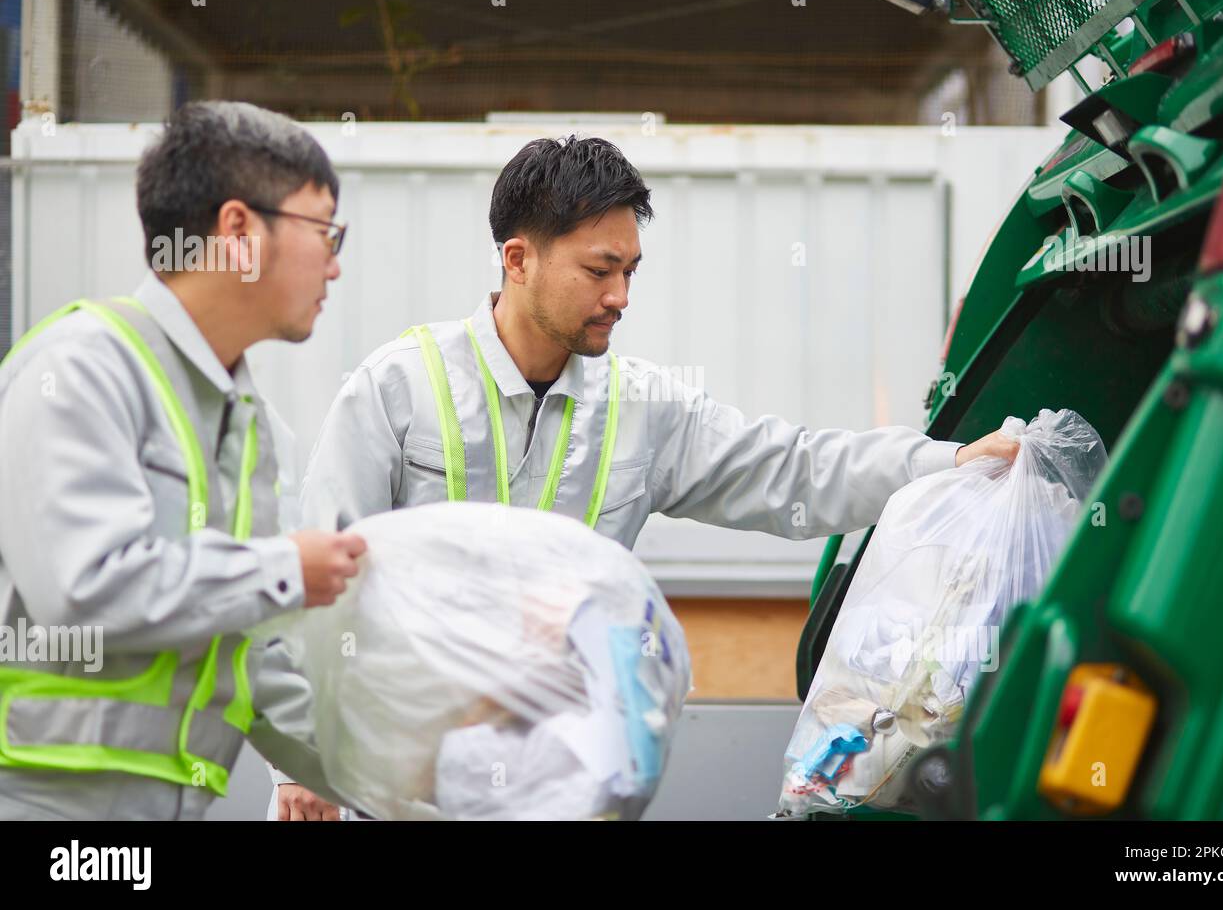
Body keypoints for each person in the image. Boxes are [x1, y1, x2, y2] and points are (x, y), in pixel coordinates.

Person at [273, 134, 1018, 816]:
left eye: (630, 271)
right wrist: (299, 768)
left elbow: (795, 469)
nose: (620, 298)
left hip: (559, 785)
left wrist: (945, 464)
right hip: (404, 783)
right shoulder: (398, 389)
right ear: (517, 259)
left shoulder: (643, 408)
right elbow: (313, 585)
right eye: (600, 270)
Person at [0, 101, 366, 820]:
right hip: (44, 804)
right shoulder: (82, 369)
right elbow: (84, 586)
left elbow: (250, 650)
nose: (335, 262)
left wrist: (398, 780)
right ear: (238, 230)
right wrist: (285, 568)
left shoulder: (249, 420)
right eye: (323, 230)